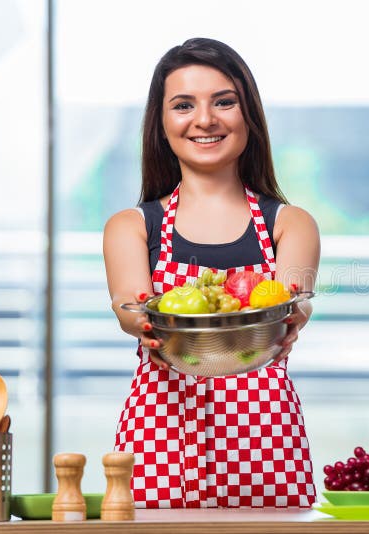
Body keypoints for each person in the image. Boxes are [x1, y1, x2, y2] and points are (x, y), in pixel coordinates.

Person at [102, 38, 320, 509]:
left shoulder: (291, 224)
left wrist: (294, 310)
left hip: (266, 442)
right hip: (157, 435)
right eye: (183, 105)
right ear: (161, 125)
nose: (205, 119)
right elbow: (128, 304)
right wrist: (138, 321)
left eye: (224, 102)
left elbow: (293, 303)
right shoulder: (132, 227)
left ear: (249, 117)